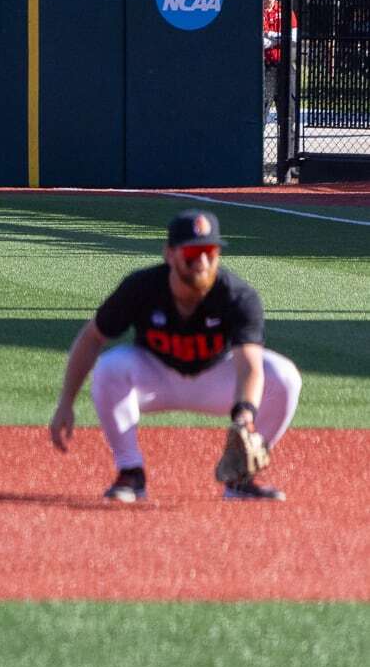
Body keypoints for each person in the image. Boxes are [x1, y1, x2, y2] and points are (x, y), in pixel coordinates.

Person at [50, 209, 303, 504]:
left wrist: (244, 418)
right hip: (154, 378)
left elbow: (250, 364)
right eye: (192, 253)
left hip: (215, 380)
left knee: (284, 376)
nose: (203, 262)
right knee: (110, 367)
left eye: (210, 251)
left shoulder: (238, 296)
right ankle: (130, 472)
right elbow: (92, 338)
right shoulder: (142, 287)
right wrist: (66, 402)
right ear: (169, 254)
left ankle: (241, 477)